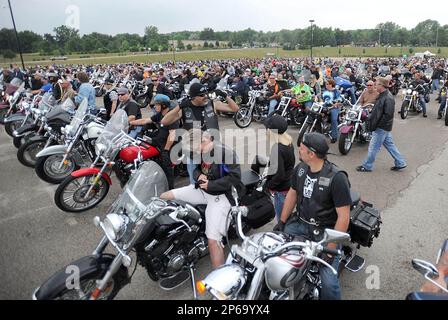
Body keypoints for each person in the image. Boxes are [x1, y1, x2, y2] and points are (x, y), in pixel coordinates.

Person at [274, 132, 352, 300]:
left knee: (329, 284)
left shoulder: (337, 178)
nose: (299, 150)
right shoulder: (300, 169)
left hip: (325, 233)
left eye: (301, 147)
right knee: (273, 256)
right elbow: (292, 194)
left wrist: (331, 249)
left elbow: (344, 217)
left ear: (311, 153)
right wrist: (281, 221)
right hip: (299, 224)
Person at [160, 130, 244, 269]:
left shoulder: (225, 153)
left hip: (221, 196)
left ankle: (220, 276)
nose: (194, 153)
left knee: (213, 241)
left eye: (195, 149)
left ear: (204, 141)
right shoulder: (199, 151)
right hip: (203, 190)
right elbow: (196, 170)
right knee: (166, 195)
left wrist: (211, 184)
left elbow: (235, 179)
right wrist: (198, 176)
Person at [161, 83, 239, 184]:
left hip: (213, 151)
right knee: (195, 182)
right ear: (194, 97)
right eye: (202, 95)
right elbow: (164, 121)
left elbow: (235, 109)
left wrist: (225, 95)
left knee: (215, 179)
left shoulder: (212, 103)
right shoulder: (185, 109)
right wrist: (179, 107)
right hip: (194, 153)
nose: (205, 96)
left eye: (206, 93)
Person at [356, 77, 407, 172]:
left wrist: (377, 125)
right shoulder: (382, 95)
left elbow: (388, 115)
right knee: (390, 145)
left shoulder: (388, 97)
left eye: (376, 84)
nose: (374, 86)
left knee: (373, 147)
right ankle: (401, 162)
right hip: (383, 127)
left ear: (382, 85)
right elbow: (379, 110)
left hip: (381, 127)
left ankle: (367, 166)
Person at [130, 94, 178, 189]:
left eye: (156, 104)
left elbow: (172, 135)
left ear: (163, 105)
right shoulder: (160, 115)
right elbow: (146, 120)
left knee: (166, 165)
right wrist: (131, 123)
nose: (154, 106)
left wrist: (166, 150)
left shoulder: (171, 116)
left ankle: (169, 188)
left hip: (169, 144)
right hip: (159, 139)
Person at [264, 115, 295, 221]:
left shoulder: (277, 149)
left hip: (282, 190)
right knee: (287, 216)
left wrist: (268, 185)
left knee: (282, 220)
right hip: (289, 185)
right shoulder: (288, 142)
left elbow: (279, 175)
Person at [321, 79, 343, 144]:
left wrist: (335, 104)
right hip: (325, 106)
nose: (326, 85)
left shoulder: (336, 91)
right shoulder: (324, 91)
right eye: (326, 84)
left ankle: (334, 136)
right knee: (316, 114)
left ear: (331, 84)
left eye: (328, 84)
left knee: (333, 119)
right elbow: (322, 99)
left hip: (334, 107)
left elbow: (339, 100)